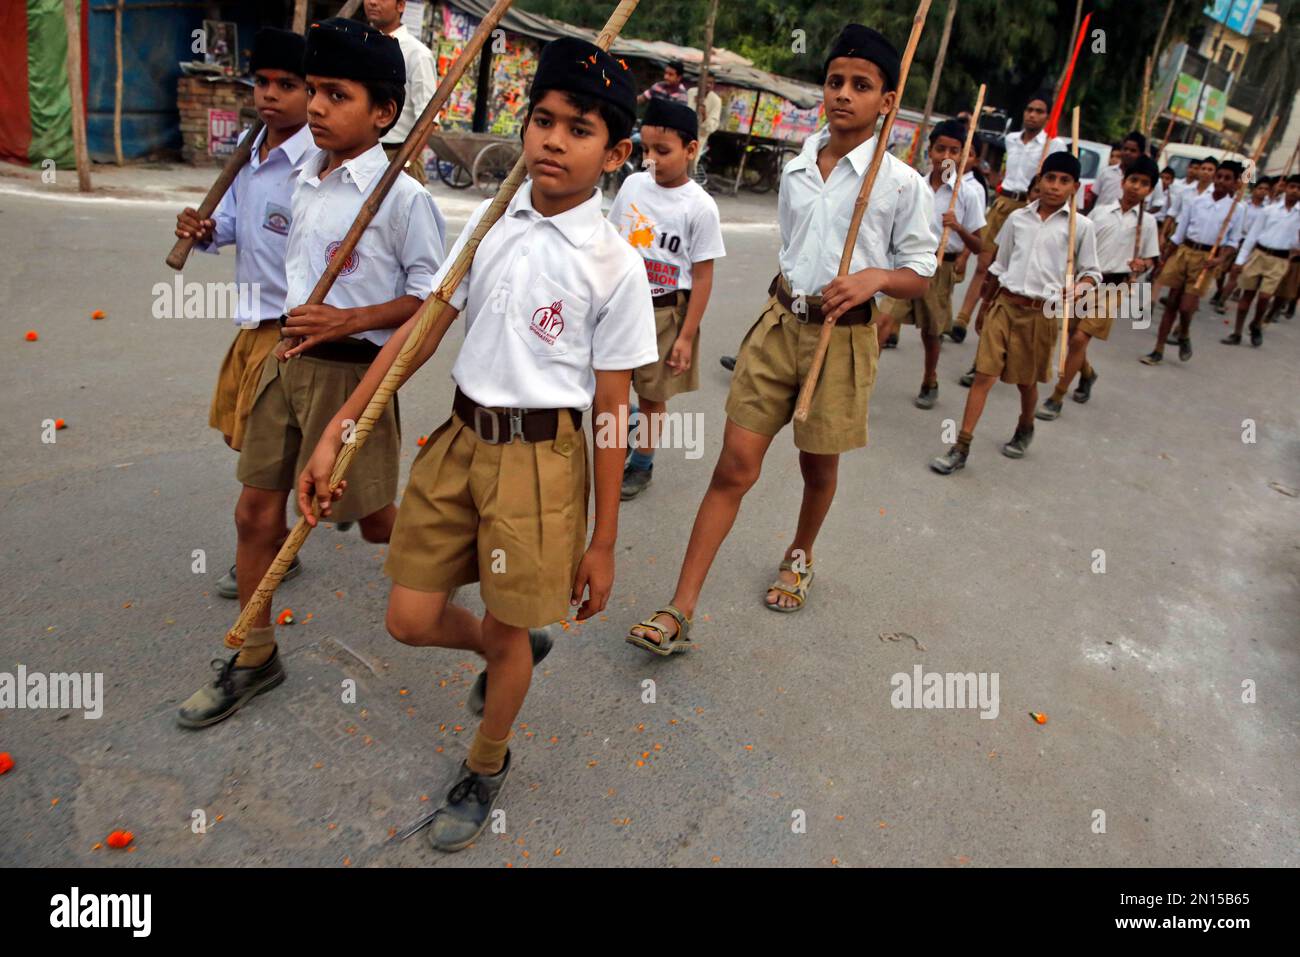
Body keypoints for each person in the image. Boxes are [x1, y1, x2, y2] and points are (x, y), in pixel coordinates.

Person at [298, 37, 656, 852]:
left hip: (541, 465)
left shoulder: (613, 265)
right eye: (543, 121)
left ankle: (487, 760)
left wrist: (602, 539)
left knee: (502, 620)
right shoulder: (490, 223)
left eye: (579, 130)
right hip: (458, 441)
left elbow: (610, 407)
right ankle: (510, 645)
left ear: (617, 152)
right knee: (409, 617)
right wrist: (343, 423)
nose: (553, 142)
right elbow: (421, 333)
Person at [624, 23, 936, 651]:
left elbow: (921, 273)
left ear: (887, 102)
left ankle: (800, 551)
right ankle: (679, 610)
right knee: (734, 467)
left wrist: (874, 277)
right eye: (835, 81)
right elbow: (795, 249)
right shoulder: (797, 166)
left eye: (862, 85)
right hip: (777, 325)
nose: (844, 94)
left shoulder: (901, 183)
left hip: (841, 342)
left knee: (817, 466)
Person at [176, 17, 446, 728]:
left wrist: (351, 319)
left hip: (352, 376)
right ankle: (255, 652)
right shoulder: (298, 174)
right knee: (254, 509)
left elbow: (432, 300)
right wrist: (211, 237)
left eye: (336, 94)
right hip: (283, 362)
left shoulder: (401, 198)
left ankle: (459, 565)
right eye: (314, 91)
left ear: (384, 112)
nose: (317, 107)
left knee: (376, 525)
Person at [175, 28, 318, 598]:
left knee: (279, 472)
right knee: (254, 445)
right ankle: (275, 540)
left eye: (288, 85)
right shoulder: (251, 153)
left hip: (293, 332)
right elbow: (233, 225)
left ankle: (264, 543)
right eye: (262, 82)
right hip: (253, 321)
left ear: (314, 93)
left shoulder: (318, 163)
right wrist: (206, 229)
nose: (270, 95)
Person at [931, 150, 1099, 474]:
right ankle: (961, 446)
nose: (1055, 186)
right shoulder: (1018, 218)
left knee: (1026, 382)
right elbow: (998, 265)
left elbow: (1092, 271)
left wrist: (1079, 287)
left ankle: (1025, 424)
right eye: (1050, 178)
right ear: (1040, 180)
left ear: (1075, 187)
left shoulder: (1081, 227)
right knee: (984, 375)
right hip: (1005, 305)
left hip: (1042, 313)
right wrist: (984, 305)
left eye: (1064, 181)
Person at [609, 98, 726, 500]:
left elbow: (704, 277)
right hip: (621, 308)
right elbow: (610, 242)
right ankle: (623, 434)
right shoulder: (632, 186)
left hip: (665, 314)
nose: (650, 160)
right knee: (610, 386)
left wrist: (686, 337)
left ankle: (642, 463)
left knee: (652, 395)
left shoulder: (700, 208)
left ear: (691, 149)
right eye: (645, 150)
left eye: (663, 151)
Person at [1037, 155, 1159, 419]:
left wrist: (1142, 263)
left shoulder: (1147, 224)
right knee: (1072, 338)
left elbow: (1151, 258)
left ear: (1150, 190)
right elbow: (1081, 245)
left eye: (1144, 183)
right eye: (1133, 180)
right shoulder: (1100, 213)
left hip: (1114, 286)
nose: (1136, 187)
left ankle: (1057, 396)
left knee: (1080, 338)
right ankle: (1087, 373)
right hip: (1086, 281)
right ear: (1123, 181)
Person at [877, 119, 984, 409]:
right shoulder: (914, 185)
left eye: (953, 150)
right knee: (883, 320)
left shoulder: (968, 195)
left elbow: (979, 244)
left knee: (932, 332)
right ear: (930, 151)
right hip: (906, 262)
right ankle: (861, 378)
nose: (946, 156)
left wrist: (959, 228)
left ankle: (930, 378)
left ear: (962, 154)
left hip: (941, 267)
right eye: (940, 149)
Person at [949, 94, 1066, 344]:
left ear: (1047, 117)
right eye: (1029, 109)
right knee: (984, 264)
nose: (1032, 114)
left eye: (1039, 111)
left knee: (1006, 270)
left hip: (1029, 205)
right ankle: (962, 318)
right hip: (1003, 203)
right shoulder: (1011, 140)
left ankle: (991, 321)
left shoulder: (1052, 145)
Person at [1142, 160, 1245, 365]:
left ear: (1235, 183)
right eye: (1219, 176)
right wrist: (1163, 257)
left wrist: (1221, 258)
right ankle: (1158, 349)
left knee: (1187, 307)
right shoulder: (1196, 201)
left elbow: (1233, 242)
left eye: (1227, 178)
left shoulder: (1237, 209)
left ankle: (1184, 333)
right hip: (1184, 252)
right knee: (1172, 302)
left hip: (1207, 259)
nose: (1221, 181)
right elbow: (1180, 233)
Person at [1221, 173, 1300, 346]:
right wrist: (1240, 260)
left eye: (1298, 189)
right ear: (1285, 188)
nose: (1295, 191)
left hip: (1280, 259)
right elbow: (1253, 236)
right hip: (1259, 254)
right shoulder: (1269, 210)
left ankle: (1256, 323)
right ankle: (1237, 332)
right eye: (1292, 187)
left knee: (1264, 297)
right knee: (1246, 297)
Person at [366, 0, 436, 185]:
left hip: (396, 154)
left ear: (401, 6)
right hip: (362, 155)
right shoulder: (361, 46)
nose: (372, 2)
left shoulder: (417, 54)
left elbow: (428, 118)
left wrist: (406, 162)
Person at [1211, 177, 1271, 314]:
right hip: (1234, 240)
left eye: (1266, 189)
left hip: (1249, 244)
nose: (1262, 192)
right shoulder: (1242, 205)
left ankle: (1222, 300)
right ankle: (1220, 290)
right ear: (1254, 190)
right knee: (1220, 270)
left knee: (1235, 273)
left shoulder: (1266, 210)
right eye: (1260, 188)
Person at [687, 73, 722, 144]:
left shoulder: (716, 100)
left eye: (711, 83)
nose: (708, 85)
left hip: (700, 139)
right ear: (700, 82)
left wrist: (704, 115)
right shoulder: (691, 92)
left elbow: (712, 127)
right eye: (706, 82)